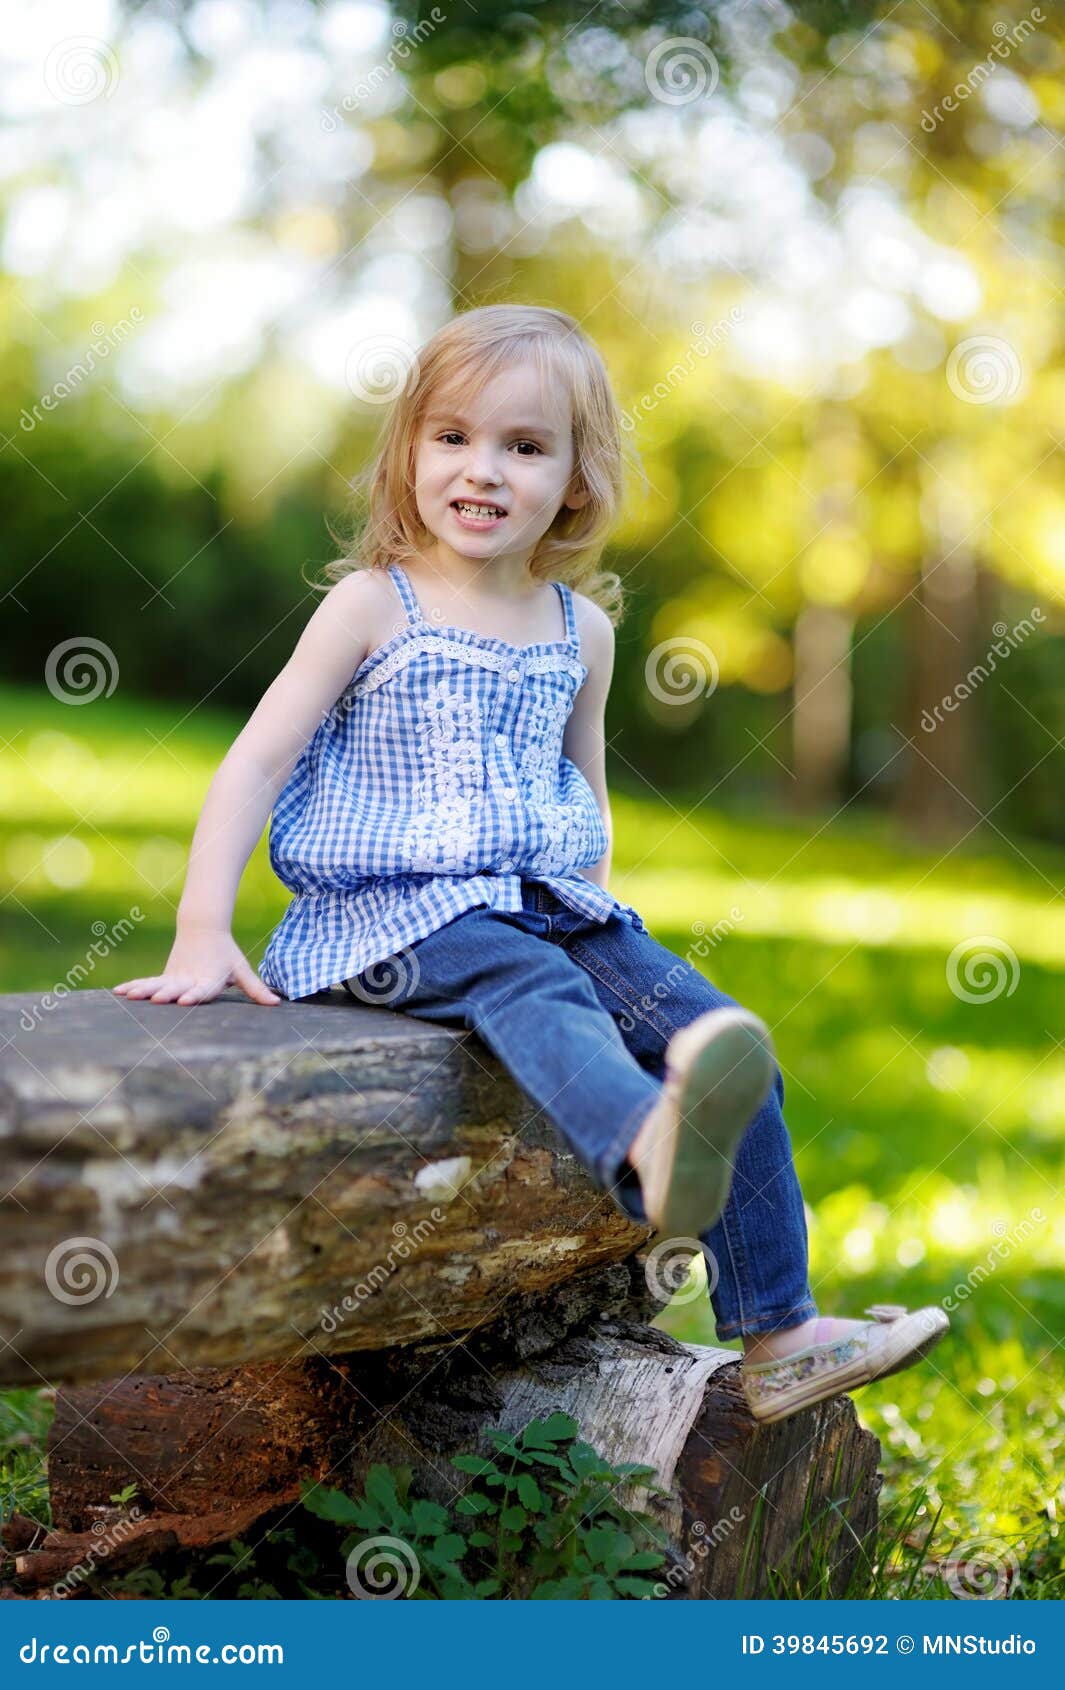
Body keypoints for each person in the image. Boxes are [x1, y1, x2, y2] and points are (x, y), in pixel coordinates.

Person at [112, 303, 947, 1423]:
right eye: (453, 437)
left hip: (544, 902)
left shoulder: (578, 630)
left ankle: (780, 1333)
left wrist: (610, 928)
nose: (483, 470)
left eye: (524, 445)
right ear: (409, 452)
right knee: (532, 984)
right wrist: (203, 929)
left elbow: (583, 794)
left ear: (576, 478)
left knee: (717, 1028)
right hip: (392, 921)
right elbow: (255, 764)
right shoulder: (374, 605)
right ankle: (646, 1149)